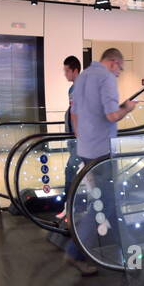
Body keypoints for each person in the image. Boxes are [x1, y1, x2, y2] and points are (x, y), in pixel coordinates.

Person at [65, 48, 138, 276]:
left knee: (110, 202)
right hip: (103, 151)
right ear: (114, 63)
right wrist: (127, 107)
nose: (119, 74)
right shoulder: (105, 78)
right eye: (120, 69)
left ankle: (130, 251)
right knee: (104, 203)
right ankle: (74, 251)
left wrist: (82, 137)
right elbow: (112, 115)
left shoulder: (84, 75)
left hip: (86, 149)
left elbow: (73, 113)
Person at [59, 55, 81, 215]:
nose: (65, 74)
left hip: (79, 139)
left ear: (75, 70)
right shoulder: (72, 89)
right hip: (74, 138)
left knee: (70, 170)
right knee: (73, 170)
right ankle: (70, 206)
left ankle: (68, 206)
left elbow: (77, 113)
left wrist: (79, 135)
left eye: (67, 71)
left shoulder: (79, 88)